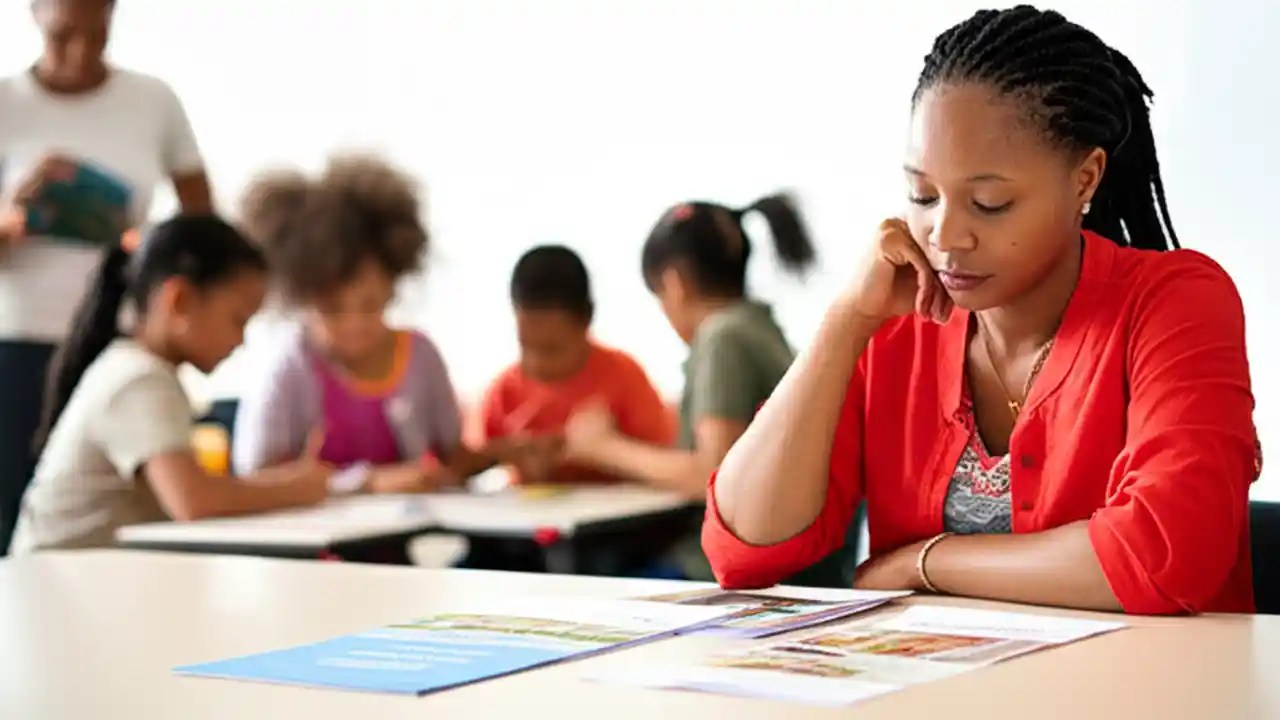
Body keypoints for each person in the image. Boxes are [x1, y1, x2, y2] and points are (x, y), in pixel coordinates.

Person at [705, 5, 1260, 614]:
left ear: (1085, 179)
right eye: (922, 195)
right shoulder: (899, 324)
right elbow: (743, 547)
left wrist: (925, 562)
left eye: (990, 203)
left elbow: (1166, 554)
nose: (945, 235)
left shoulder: (1175, 301)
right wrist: (846, 321)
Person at [0, 0, 213, 553]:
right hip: (17, 344)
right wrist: (16, 209)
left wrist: (142, 241)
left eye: (97, 34)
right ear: (34, 13)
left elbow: (201, 227)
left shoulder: (152, 101)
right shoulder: (6, 104)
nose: (80, 53)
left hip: (110, 340)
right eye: (64, 35)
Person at [9, 216, 328, 553]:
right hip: (52, 581)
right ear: (180, 300)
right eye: (238, 320)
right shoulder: (137, 378)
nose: (241, 341)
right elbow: (194, 502)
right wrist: (296, 487)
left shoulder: (140, 369)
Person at [233, 156, 491, 492]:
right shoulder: (288, 367)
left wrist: (503, 453)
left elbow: (453, 457)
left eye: (370, 306)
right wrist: (365, 483)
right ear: (303, 301)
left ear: (391, 289)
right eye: (332, 310)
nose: (354, 324)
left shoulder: (421, 356)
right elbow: (255, 476)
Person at [563, 195, 815, 500]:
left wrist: (605, 447)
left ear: (675, 285)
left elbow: (714, 475)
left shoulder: (722, 337)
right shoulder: (758, 326)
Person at [478, 245, 672, 485]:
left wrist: (606, 449)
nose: (537, 363)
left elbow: (664, 461)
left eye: (552, 349)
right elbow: (476, 460)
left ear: (586, 322)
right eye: (526, 346)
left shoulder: (625, 377)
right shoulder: (503, 393)